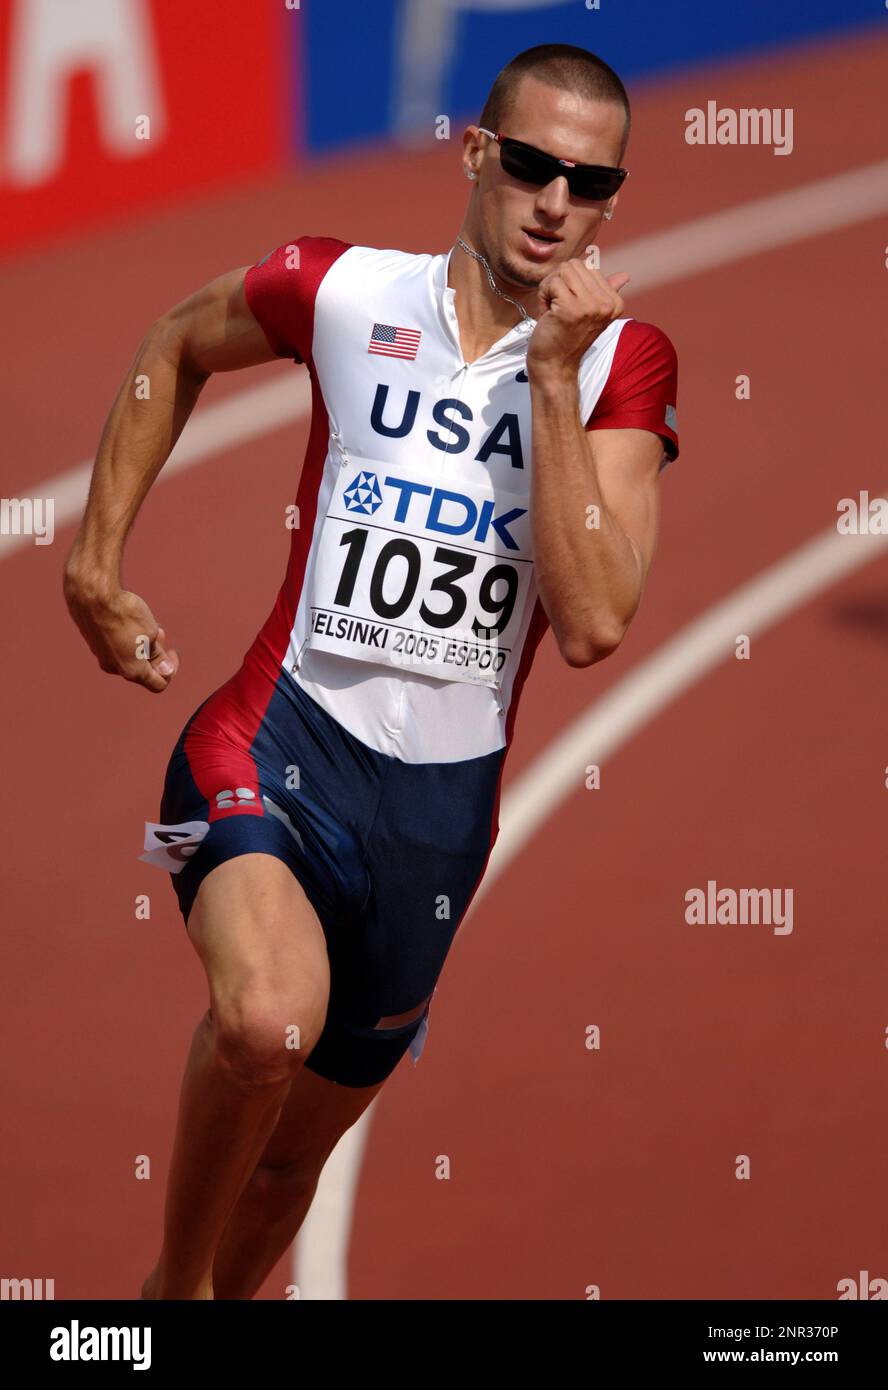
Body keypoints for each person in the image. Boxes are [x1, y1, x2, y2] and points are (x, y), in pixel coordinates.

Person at [63, 43, 679, 1300]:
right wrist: (94, 559)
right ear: (475, 154)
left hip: (435, 832)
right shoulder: (344, 291)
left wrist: (552, 383)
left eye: (588, 182)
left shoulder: (627, 365)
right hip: (276, 744)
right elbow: (175, 339)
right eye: (529, 164)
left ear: (613, 199)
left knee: (291, 1168)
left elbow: (596, 619)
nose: (554, 202)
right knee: (263, 1023)